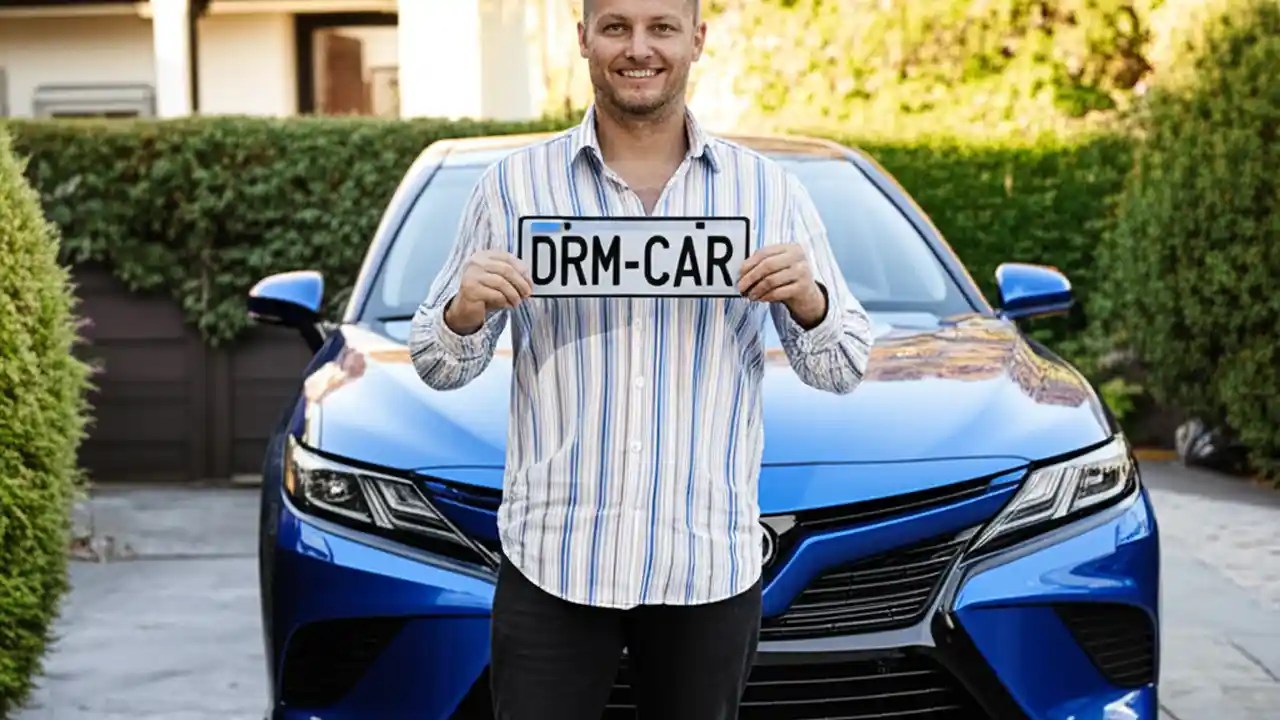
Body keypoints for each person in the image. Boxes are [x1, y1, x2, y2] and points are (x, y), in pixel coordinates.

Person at [408, 0, 874, 717]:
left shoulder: (767, 191)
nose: (639, 48)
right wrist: (462, 311)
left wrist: (809, 301)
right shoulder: (512, 187)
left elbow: (841, 367)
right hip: (553, 559)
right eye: (616, 26)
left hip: (705, 566)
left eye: (662, 27)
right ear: (584, 40)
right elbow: (440, 366)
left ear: (696, 40)